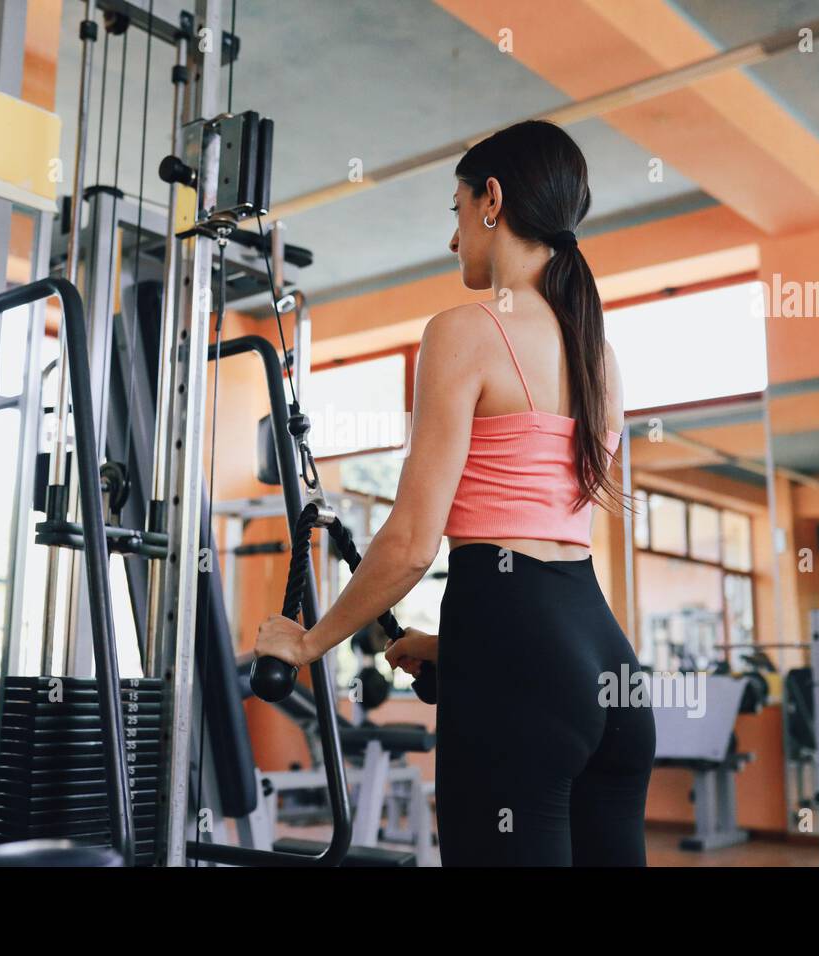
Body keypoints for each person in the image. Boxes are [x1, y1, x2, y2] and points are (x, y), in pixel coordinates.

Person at [254, 120, 655, 866]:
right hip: (606, 665)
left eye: (457, 210)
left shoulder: (463, 331)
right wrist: (460, 648)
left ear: (492, 201)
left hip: (523, 678)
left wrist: (308, 642)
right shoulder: (599, 352)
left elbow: (411, 543)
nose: (453, 239)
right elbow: (542, 549)